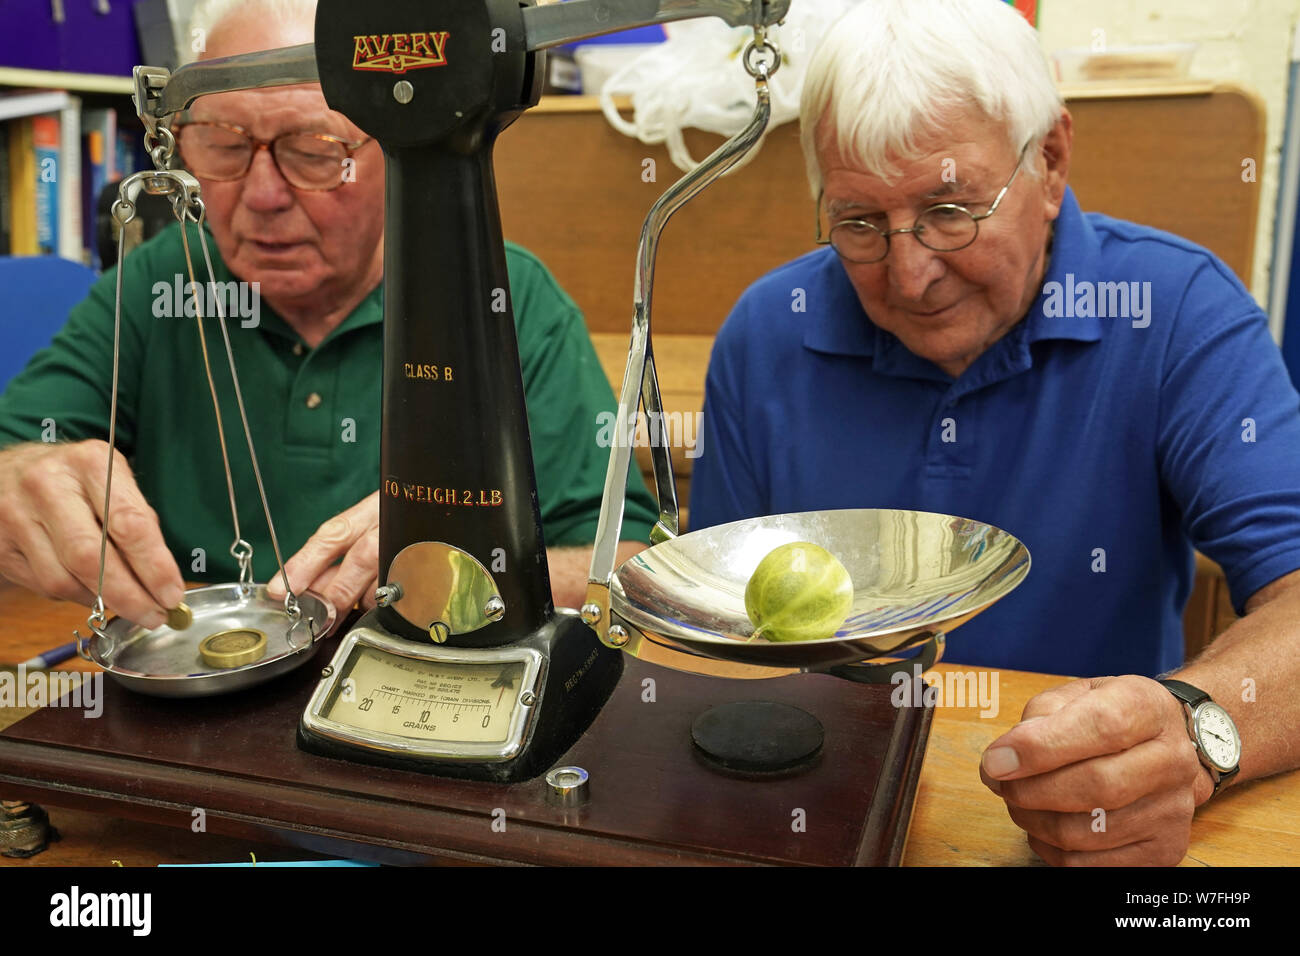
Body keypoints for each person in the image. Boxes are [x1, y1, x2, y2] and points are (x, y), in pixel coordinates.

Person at [690, 0, 1300, 865]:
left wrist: (1194, 731)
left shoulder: (1178, 314)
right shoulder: (766, 332)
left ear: (1049, 162)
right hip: (821, 818)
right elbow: (725, 643)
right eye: (858, 222)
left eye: (950, 209)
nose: (910, 275)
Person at [0, 0, 656, 631]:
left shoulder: (503, 295)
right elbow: (14, 460)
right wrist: (21, 481)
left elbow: (626, 565)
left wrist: (466, 555)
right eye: (223, 144)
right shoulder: (160, 278)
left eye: (314, 150)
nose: (260, 197)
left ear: (403, 149)